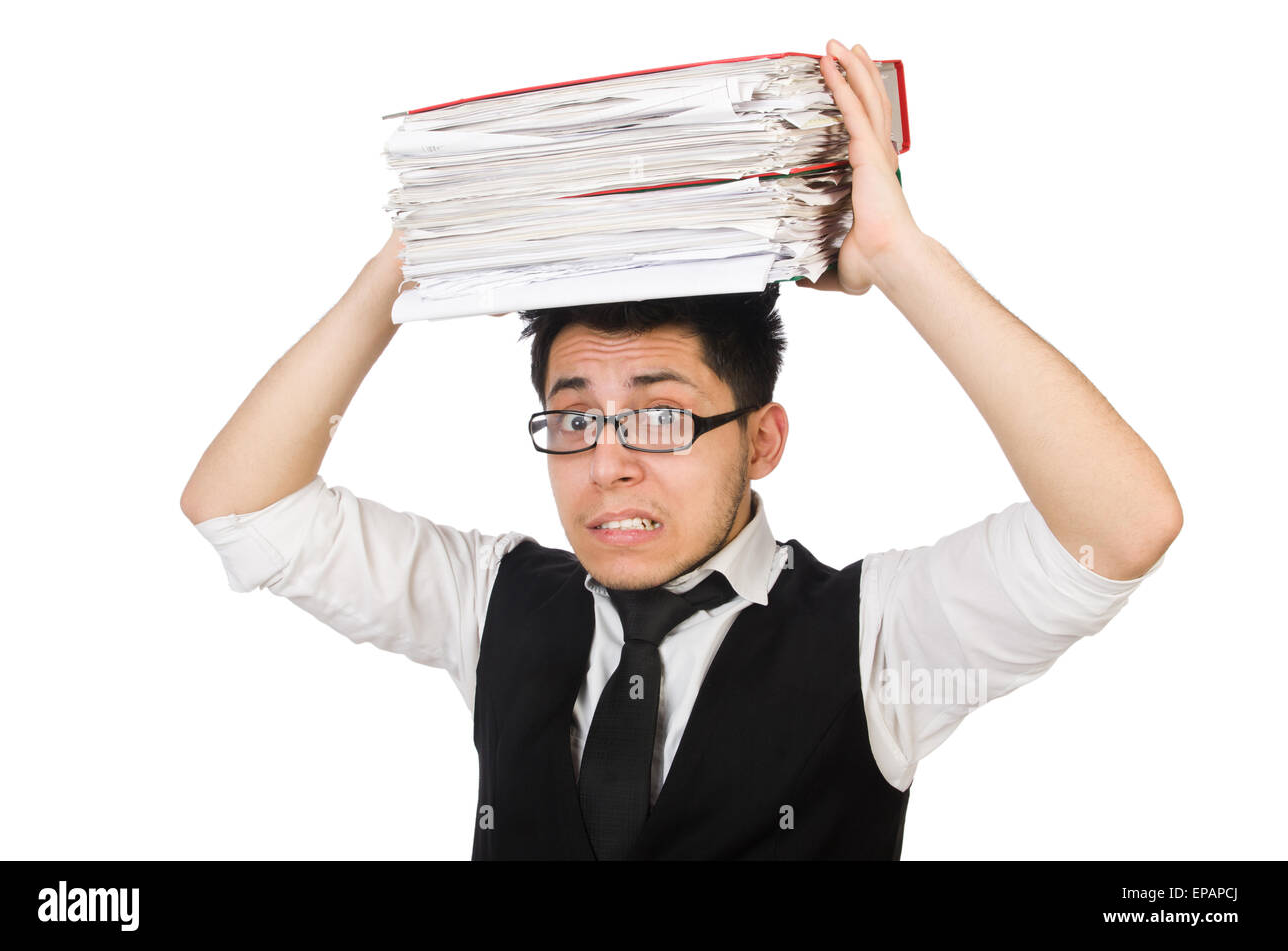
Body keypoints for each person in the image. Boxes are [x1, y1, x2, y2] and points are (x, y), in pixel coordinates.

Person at [180, 39, 1182, 859]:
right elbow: (239, 502)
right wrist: (428, 253)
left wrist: (903, 260)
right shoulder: (488, 605)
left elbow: (1121, 526)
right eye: (573, 419)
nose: (607, 463)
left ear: (761, 440)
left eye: (660, 417)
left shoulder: (883, 640)